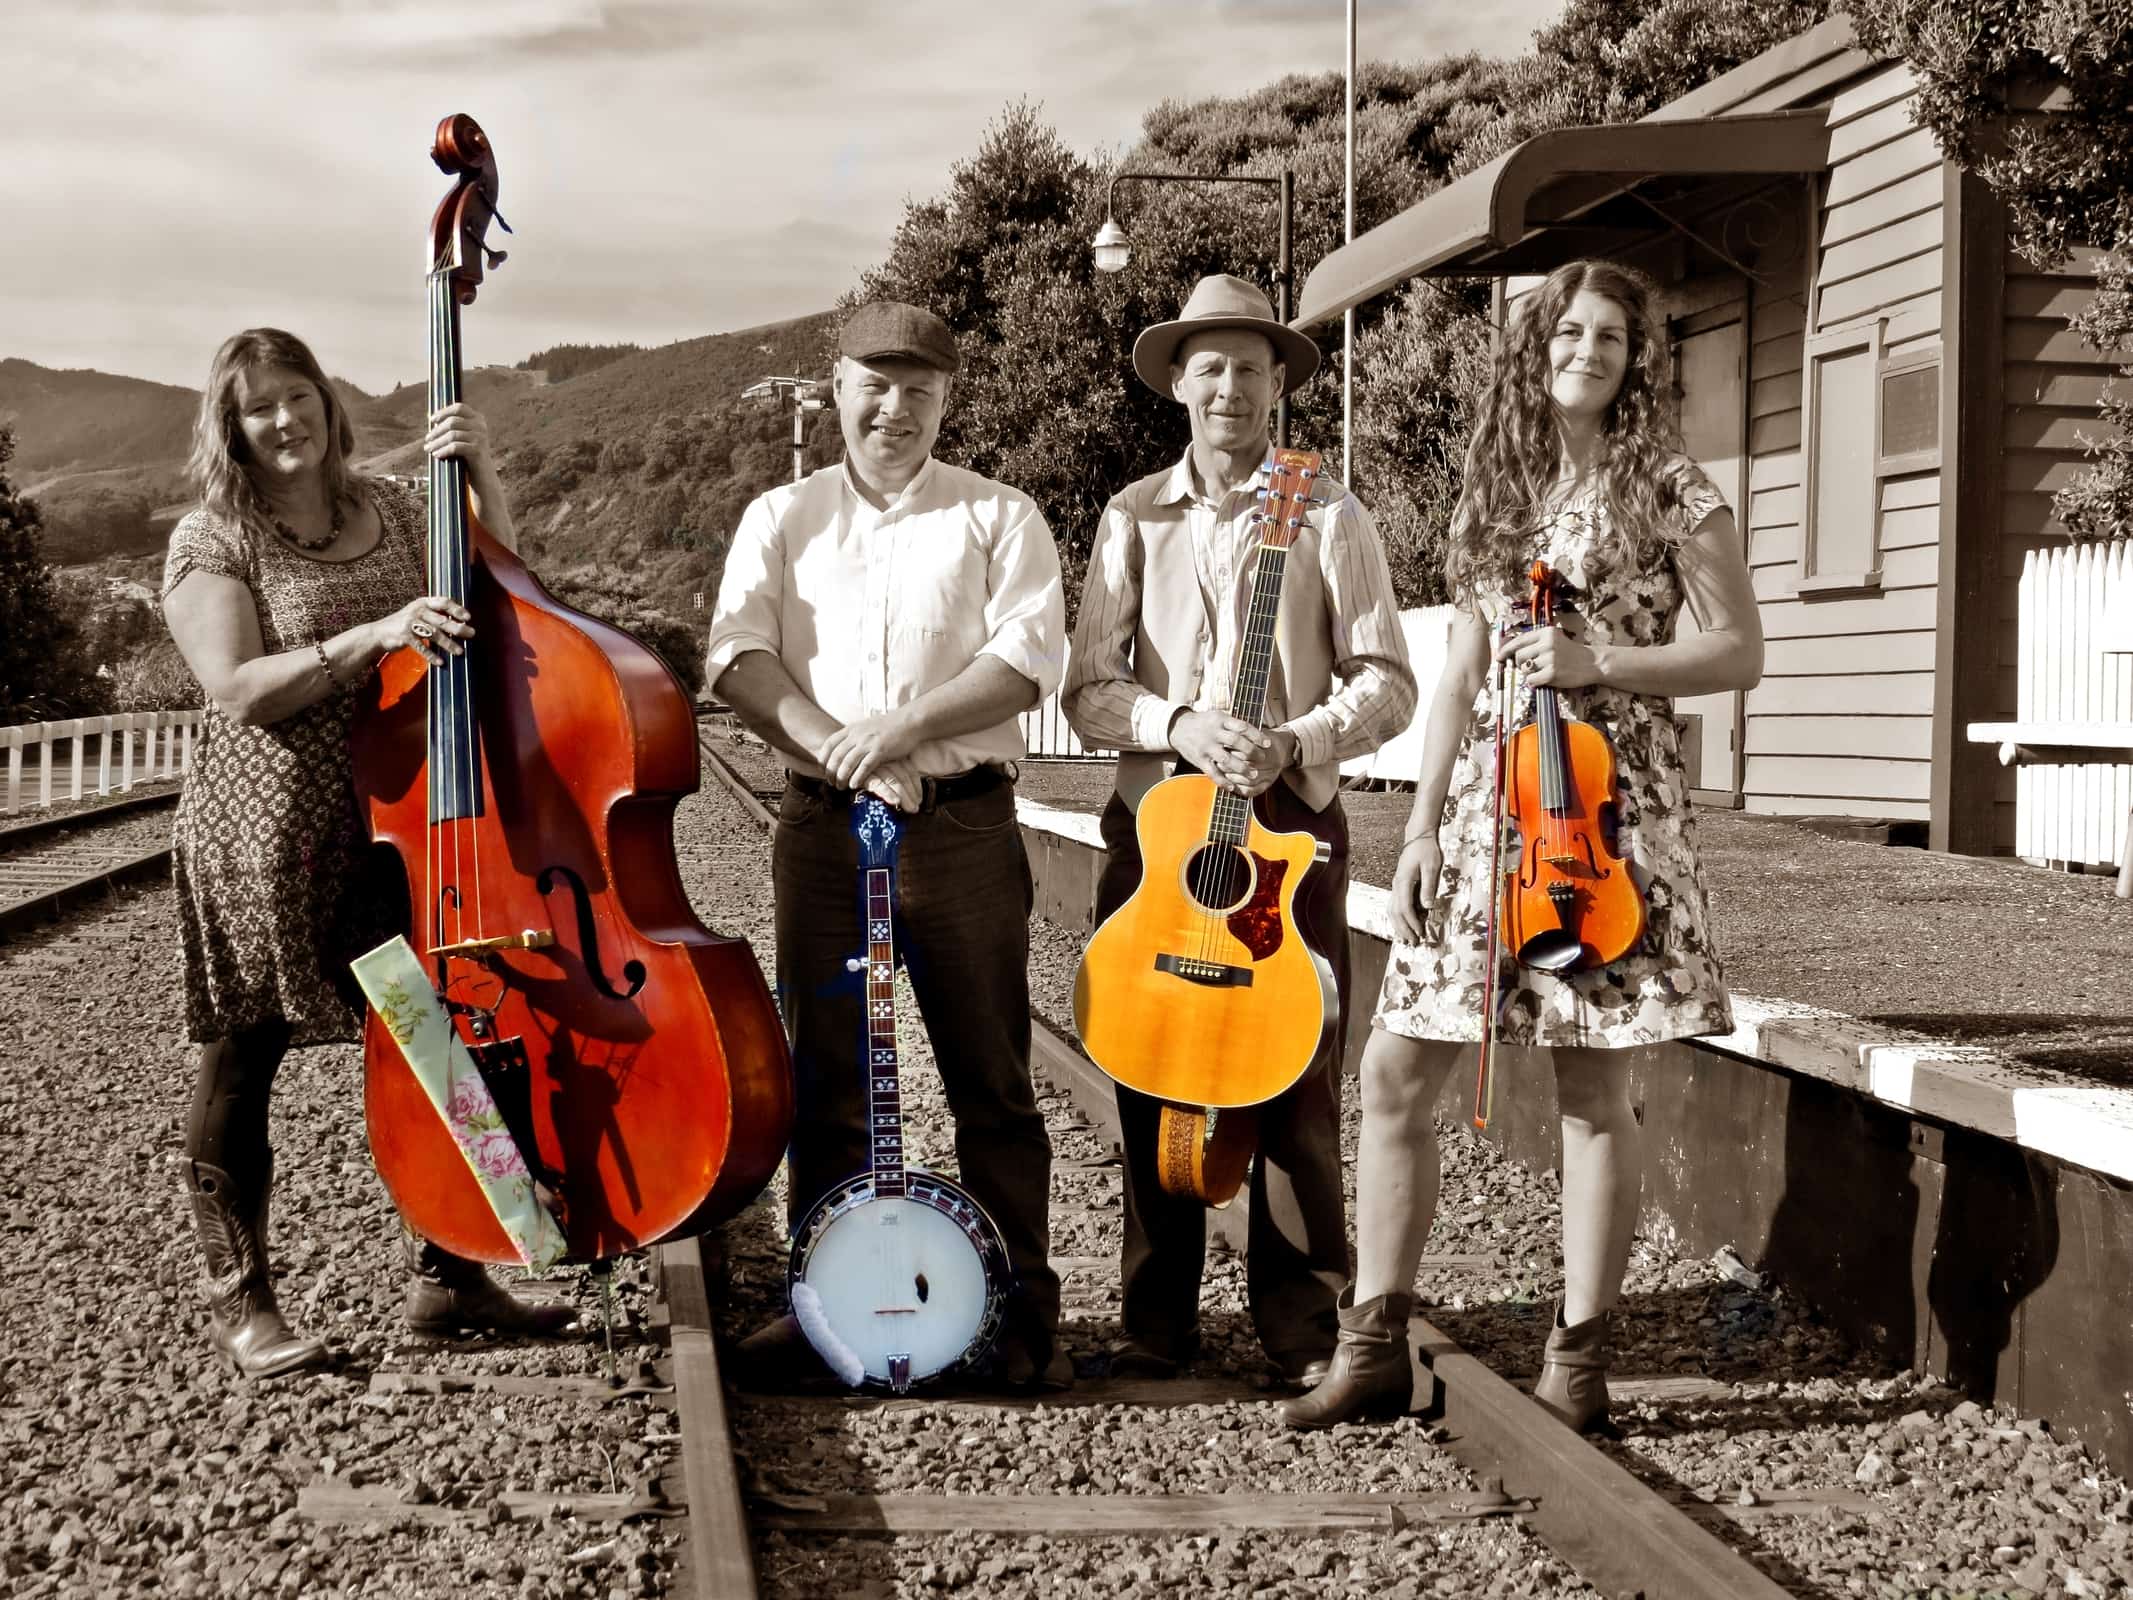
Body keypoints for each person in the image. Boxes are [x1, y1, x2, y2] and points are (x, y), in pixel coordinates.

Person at [1279, 258, 1764, 1432]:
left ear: (1635, 360)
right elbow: (1455, 671)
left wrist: (1606, 663)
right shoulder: (1492, 488)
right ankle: (1375, 1340)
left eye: (1610, 336)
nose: (1586, 350)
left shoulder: (1674, 487)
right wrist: (1422, 825)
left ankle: (1580, 1361)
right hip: (1483, 820)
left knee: (1594, 1084)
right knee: (1395, 1067)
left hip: (1606, 820)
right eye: (1568, 332)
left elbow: (1738, 650)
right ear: (1536, 347)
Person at [162, 327, 576, 1380]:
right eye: (261, 408)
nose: (285, 419)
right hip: (267, 833)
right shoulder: (212, 540)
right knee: (243, 1056)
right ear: (232, 428)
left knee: (438, 1031)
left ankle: (452, 1270)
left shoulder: (394, 508)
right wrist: (382, 632)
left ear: (329, 404)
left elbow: (505, 591)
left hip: (399, 816)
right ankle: (243, 1302)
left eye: (299, 396)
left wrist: (480, 470)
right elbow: (239, 687)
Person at [707, 301, 1071, 1391]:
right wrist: (843, 751)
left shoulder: (1000, 516)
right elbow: (736, 653)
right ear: (835, 388)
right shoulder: (782, 514)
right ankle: (829, 1314)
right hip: (824, 831)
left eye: (919, 389)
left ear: (948, 400)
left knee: (990, 1077)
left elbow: (1026, 659)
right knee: (826, 1075)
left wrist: (899, 734)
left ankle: (1016, 1313)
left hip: (961, 827)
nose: (895, 408)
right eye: (875, 384)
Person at [1062, 275, 1417, 1386]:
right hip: (1159, 823)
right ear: (1177, 383)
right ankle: (1152, 1322)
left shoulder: (1327, 510)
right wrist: (1177, 721)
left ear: (1278, 387)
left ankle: (1307, 1326)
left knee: (1296, 1080)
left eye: (1251, 368)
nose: (1230, 387)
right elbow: (1088, 686)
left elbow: (1390, 680)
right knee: (1143, 1058)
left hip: (1289, 831)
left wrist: (1298, 737)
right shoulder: (1129, 515)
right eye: (1208, 366)